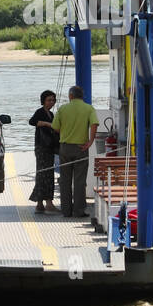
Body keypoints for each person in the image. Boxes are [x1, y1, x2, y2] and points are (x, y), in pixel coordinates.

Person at [53, 84, 99, 219]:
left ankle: (66, 211)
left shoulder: (63, 108)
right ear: (82, 96)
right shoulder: (88, 108)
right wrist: (90, 141)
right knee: (79, 181)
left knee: (65, 181)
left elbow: (55, 127)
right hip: (81, 148)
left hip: (65, 147)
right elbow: (94, 124)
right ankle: (79, 211)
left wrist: (65, 133)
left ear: (70, 96)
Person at [27, 90, 60, 214]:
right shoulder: (40, 112)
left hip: (49, 147)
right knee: (43, 174)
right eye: (48, 100)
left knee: (46, 174)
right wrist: (46, 123)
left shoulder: (51, 114)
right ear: (43, 101)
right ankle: (47, 203)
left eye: (53, 100)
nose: (51, 102)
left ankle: (41, 203)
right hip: (42, 147)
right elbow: (32, 122)